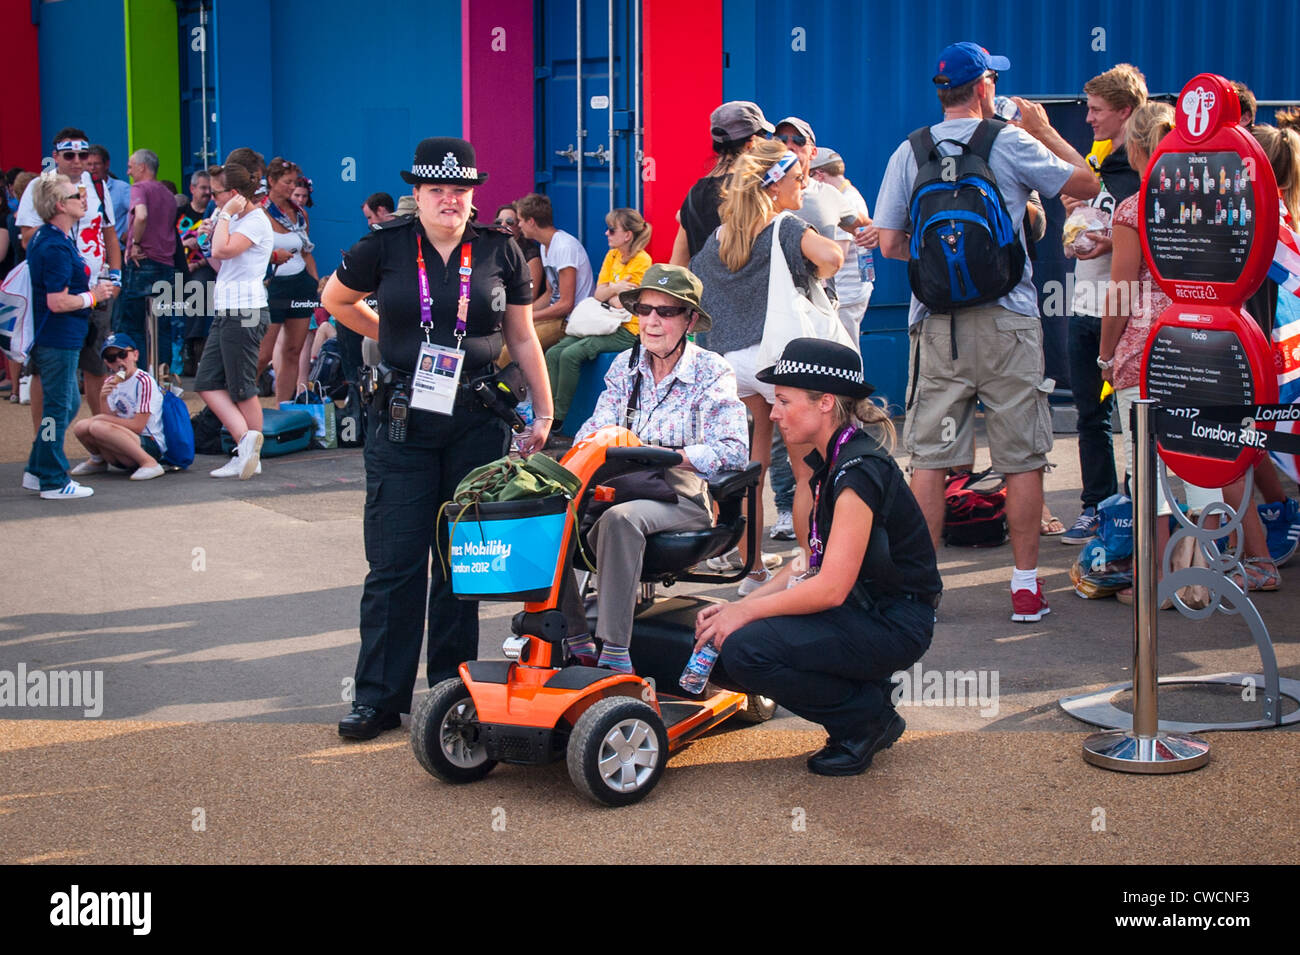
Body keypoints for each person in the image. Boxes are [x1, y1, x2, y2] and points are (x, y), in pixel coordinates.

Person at [321, 137, 554, 740]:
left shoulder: (501, 249)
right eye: (436, 190)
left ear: (472, 196)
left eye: (460, 190)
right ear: (417, 195)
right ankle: (378, 698)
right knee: (395, 564)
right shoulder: (385, 244)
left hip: (475, 420)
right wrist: (391, 337)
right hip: (401, 418)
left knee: (463, 565)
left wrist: (544, 412)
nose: (449, 200)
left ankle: (453, 692)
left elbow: (522, 337)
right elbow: (335, 301)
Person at [874, 41, 1099, 622]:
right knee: (1021, 456)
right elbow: (1088, 186)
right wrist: (1047, 132)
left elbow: (893, 243)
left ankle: (921, 593)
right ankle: (1025, 587)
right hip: (1008, 321)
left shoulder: (910, 150)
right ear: (983, 89)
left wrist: (944, 264)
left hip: (936, 326)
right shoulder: (1010, 141)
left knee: (931, 458)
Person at [698, 338, 941, 776]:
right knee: (721, 644)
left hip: (895, 622)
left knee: (745, 651)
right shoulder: (831, 461)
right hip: (862, 610)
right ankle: (865, 692)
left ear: (825, 402)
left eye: (784, 401)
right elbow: (807, 563)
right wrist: (739, 608)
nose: (772, 413)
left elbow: (828, 588)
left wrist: (744, 619)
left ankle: (865, 719)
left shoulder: (858, 471)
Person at [563, 264, 749, 672]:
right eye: (645, 310)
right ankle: (575, 637)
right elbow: (594, 429)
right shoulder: (624, 367)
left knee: (619, 520)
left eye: (665, 312)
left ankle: (614, 653)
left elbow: (734, 450)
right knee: (549, 514)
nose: (651, 321)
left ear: (690, 320)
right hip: (622, 484)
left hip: (682, 492)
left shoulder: (712, 370)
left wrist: (668, 456)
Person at [690, 140, 844, 590]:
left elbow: (699, 285)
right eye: (798, 179)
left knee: (747, 475)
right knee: (805, 473)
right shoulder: (786, 227)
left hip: (732, 364)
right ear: (774, 185)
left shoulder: (720, 236)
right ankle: (808, 567)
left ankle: (752, 570)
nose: (805, 184)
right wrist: (810, 277)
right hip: (777, 362)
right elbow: (832, 258)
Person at [1059, 64, 1147, 547]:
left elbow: (1140, 233)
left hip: (1125, 310)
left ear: (1124, 111)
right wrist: (1081, 216)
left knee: (1134, 422)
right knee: (1088, 416)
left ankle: (1136, 516)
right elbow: (1105, 223)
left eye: (1095, 110)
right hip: (1086, 303)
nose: (1089, 118)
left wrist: (1107, 238)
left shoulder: (1141, 166)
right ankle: (1098, 509)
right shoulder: (1099, 163)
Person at [16, 129, 123, 433]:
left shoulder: (98, 187)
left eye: (83, 155)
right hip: (59, 287)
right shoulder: (42, 187)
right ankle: (44, 441)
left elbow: (110, 234)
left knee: (97, 363)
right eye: (69, 155)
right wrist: (61, 225)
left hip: (96, 287)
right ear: (56, 156)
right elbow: (26, 238)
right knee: (48, 368)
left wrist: (115, 276)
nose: (78, 162)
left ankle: (101, 440)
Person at [23, 173, 121, 499]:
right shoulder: (53, 244)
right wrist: (93, 296)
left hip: (60, 336)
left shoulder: (52, 238)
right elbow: (57, 300)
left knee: (65, 405)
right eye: (75, 195)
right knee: (58, 407)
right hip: (57, 337)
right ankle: (51, 478)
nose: (83, 197)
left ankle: (39, 470)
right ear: (59, 205)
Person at [194, 149, 274, 480]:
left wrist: (224, 216)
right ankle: (246, 446)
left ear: (234, 194)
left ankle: (248, 453)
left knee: (241, 387)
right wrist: (219, 221)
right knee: (207, 382)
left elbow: (222, 250)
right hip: (228, 309)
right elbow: (217, 259)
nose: (211, 197)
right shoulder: (239, 219)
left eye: (217, 193)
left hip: (246, 310)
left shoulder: (254, 220)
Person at [544, 207, 652, 431]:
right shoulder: (612, 255)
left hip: (627, 329)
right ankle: (546, 412)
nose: (606, 233)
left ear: (627, 235)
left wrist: (611, 294)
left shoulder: (642, 261)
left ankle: (559, 417)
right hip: (604, 322)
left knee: (571, 354)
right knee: (554, 352)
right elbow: (599, 294)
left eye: (612, 230)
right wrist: (615, 288)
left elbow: (624, 303)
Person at [670, 100, 774, 265]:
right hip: (746, 288)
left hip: (703, 288)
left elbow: (678, 262)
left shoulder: (693, 194)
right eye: (764, 137)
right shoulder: (752, 189)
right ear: (751, 144)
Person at [257, 158, 320, 403]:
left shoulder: (300, 212)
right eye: (287, 182)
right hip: (272, 287)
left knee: (293, 351)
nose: (292, 187)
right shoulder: (259, 213)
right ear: (271, 182)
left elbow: (306, 252)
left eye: (295, 182)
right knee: (262, 355)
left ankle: (284, 406)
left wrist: (314, 283)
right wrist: (273, 257)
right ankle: (242, 406)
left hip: (300, 284)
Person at [112, 149, 180, 373]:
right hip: (166, 263)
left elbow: (140, 215)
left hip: (143, 263)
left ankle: (138, 376)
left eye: (131, 166)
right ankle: (164, 377)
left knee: (131, 324)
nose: (128, 171)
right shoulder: (168, 194)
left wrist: (136, 243)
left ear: (142, 167)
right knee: (162, 325)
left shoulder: (139, 188)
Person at [69, 333, 167, 481]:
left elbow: (138, 426)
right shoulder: (110, 381)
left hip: (149, 443)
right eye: (111, 358)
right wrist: (103, 398)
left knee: (97, 426)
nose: (118, 361)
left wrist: (102, 419)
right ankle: (98, 460)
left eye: (122, 354)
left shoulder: (144, 380)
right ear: (107, 363)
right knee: (81, 427)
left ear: (135, 355)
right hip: (124, 443)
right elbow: (110, 420)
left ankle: (149, 463)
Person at [516, 192, 594, 352]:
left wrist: (530, 317)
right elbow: (550, 294)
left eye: (521, 220)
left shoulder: (564, 247)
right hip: (555, 316)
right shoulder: (545, 246)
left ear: (531, 222)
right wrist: (523, 312)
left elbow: (566, 304)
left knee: (512, 350)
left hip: (570, 320)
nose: (519, 225)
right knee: (507, 334)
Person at [175, 169, 217, 375]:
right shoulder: (179, 213)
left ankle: (193, 345)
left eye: (210, 189)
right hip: (179, 265)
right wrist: (184, 243)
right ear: (192, 189)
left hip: (204, 267)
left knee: (199, 287)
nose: (207, 192)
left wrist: (197, 263)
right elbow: (169, 243)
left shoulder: (212, 215)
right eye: (203, 188)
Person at [493, 202, 544, 305]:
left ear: (519, 225)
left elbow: (529, 296)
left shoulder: (531, 256)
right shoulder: (491, 251)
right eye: (498, 222)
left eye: (509, 222)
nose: (503, 225)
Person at [85, 145, 131, 245]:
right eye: (89, 164)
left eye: (97, 164)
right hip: (90, 253)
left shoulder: (122, 189)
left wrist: (130, 234)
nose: (92, 168)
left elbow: (140, 213)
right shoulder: (81, 190)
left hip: (117, 251)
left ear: (106, 164)